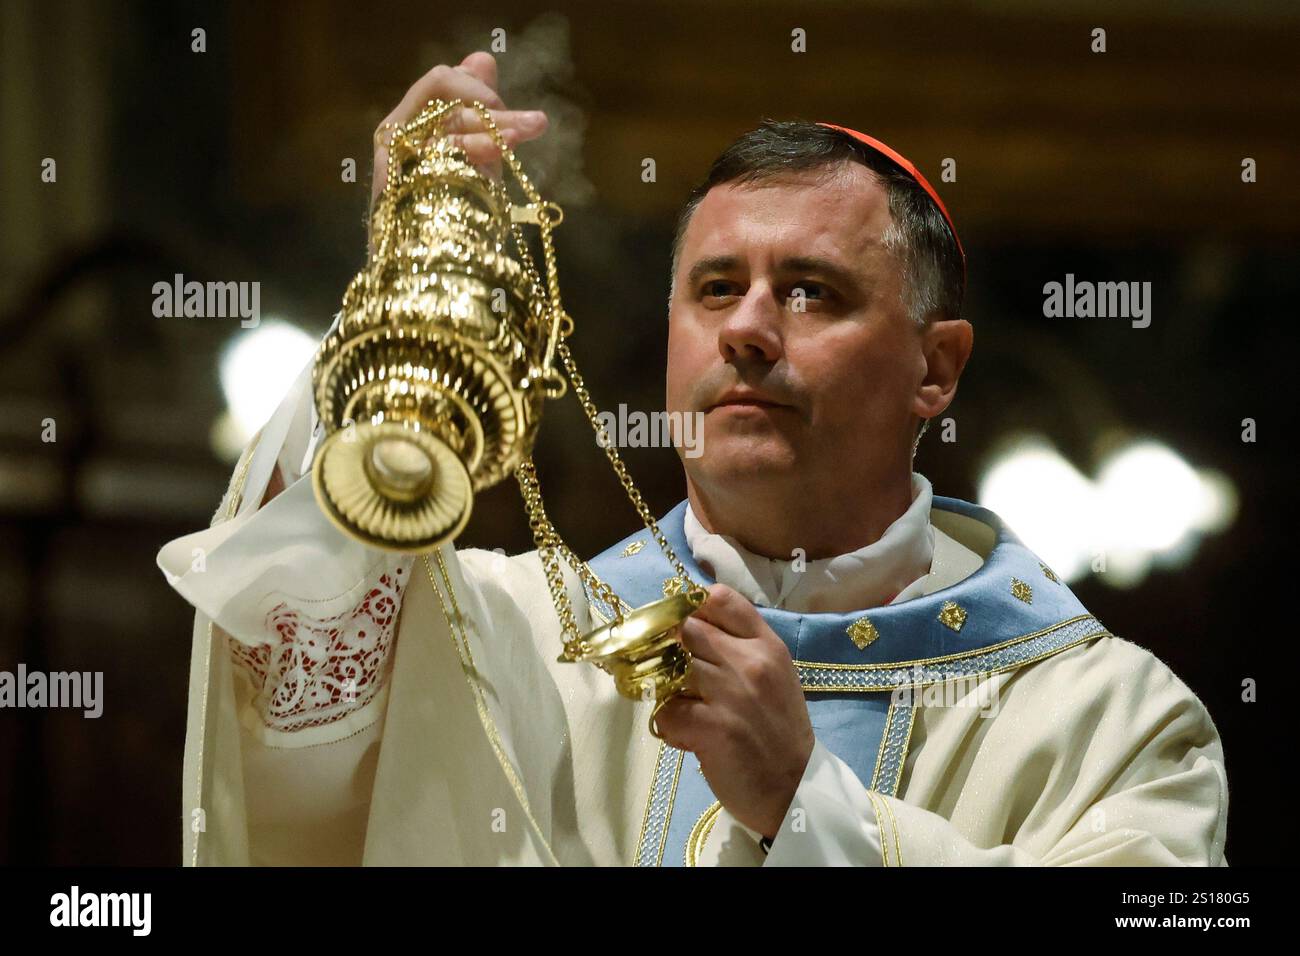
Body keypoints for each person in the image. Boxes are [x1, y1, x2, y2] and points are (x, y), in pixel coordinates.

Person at [157, 51, 1228, 866]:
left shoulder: (1114, 719)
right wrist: (404, 272)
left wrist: (807, 802)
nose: (749, 329)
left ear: (935, 369)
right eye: (716, 289)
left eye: (811, 290)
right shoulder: (521, 639)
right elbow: (289, 661)